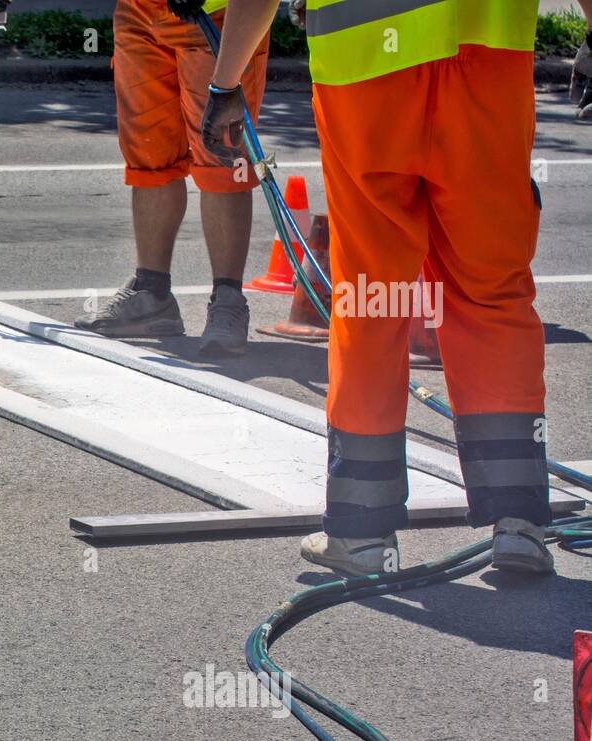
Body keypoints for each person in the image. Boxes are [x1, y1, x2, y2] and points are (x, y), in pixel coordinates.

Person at [187, 0, 583, 575]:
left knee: (373, 296)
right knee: (491, 290)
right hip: (488, 70)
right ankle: (518, 523)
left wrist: (226, 80)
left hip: (366, 73)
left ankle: (363, 534)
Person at [73, 0, 270, 355]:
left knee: (222, 158)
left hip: (218, 13)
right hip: (140, 13)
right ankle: (150, 293)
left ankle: (227, 299)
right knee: (149, 156)